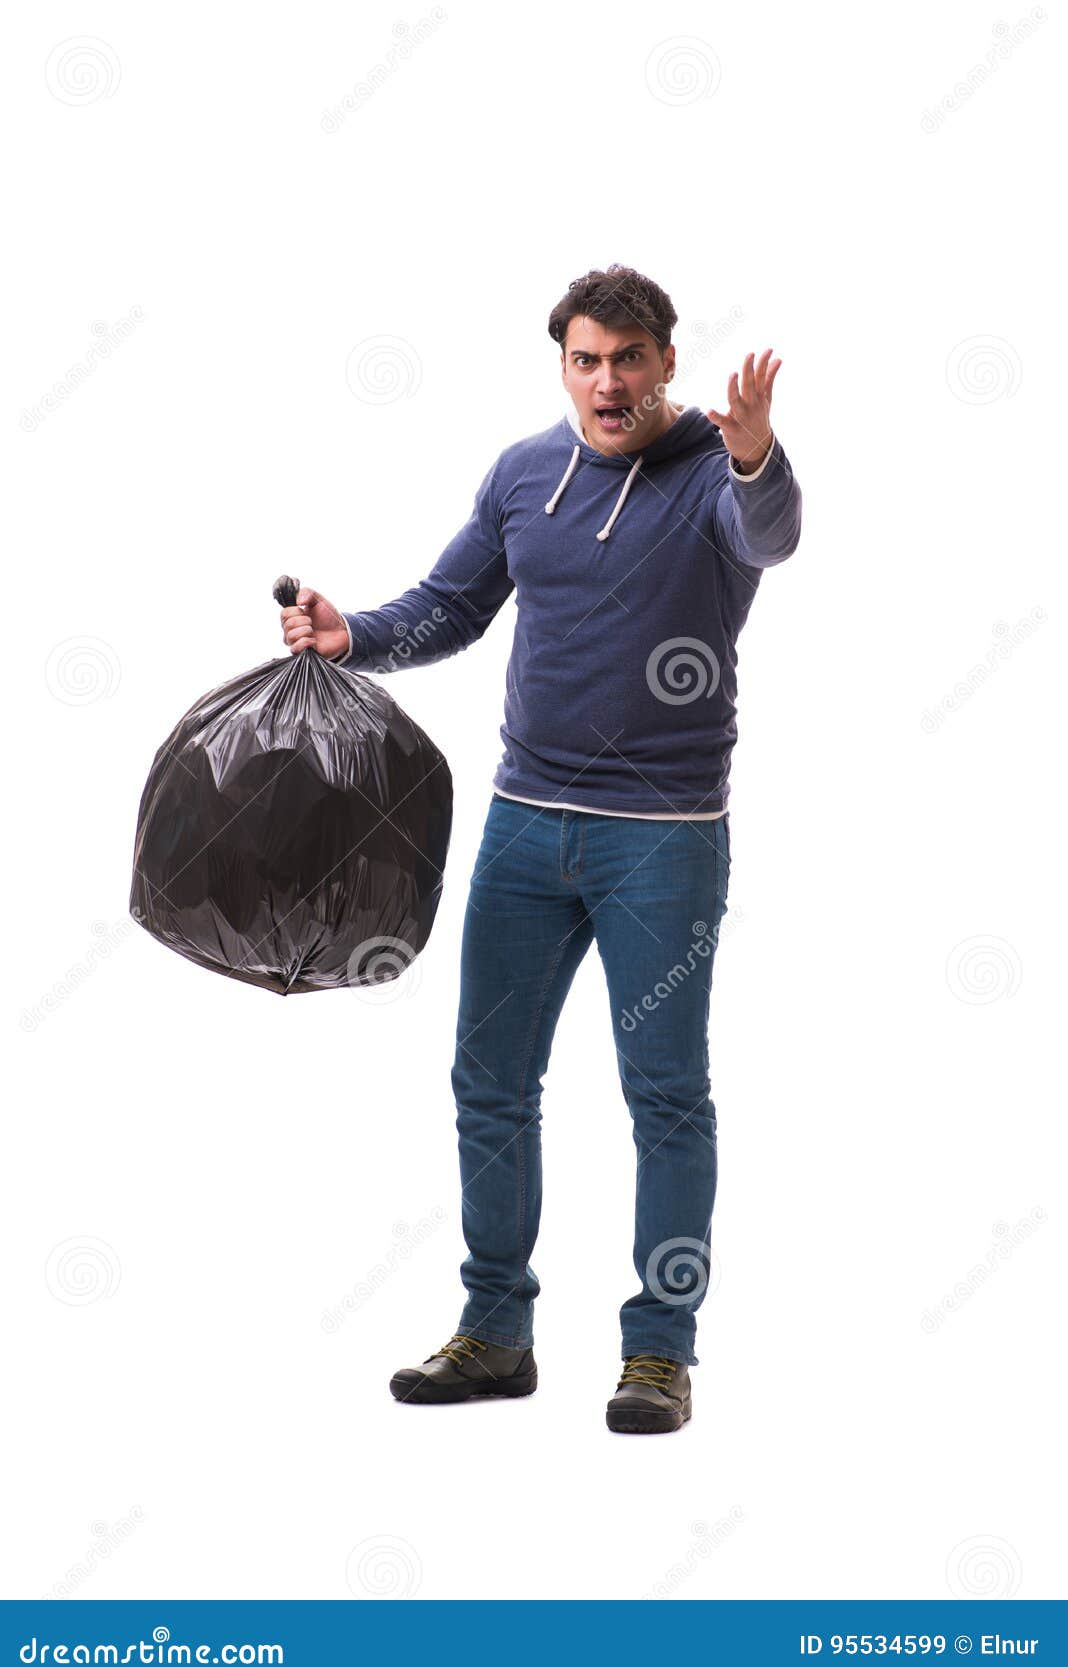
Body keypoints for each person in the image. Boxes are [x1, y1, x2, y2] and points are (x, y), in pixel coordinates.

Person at [280, 264, 802, 1433]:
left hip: (661, 839)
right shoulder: (526, 473)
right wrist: (350, 633)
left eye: (628, 357)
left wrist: (762, 455)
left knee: (665, 1092)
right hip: (523, 824)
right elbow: (451, 605)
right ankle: (495, 1332)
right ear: (563, 364)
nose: (607, 381)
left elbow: (769, 536)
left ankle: (659, 1352)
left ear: (667, 359)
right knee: (490, 1080)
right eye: (585, 359)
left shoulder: (718, 474)